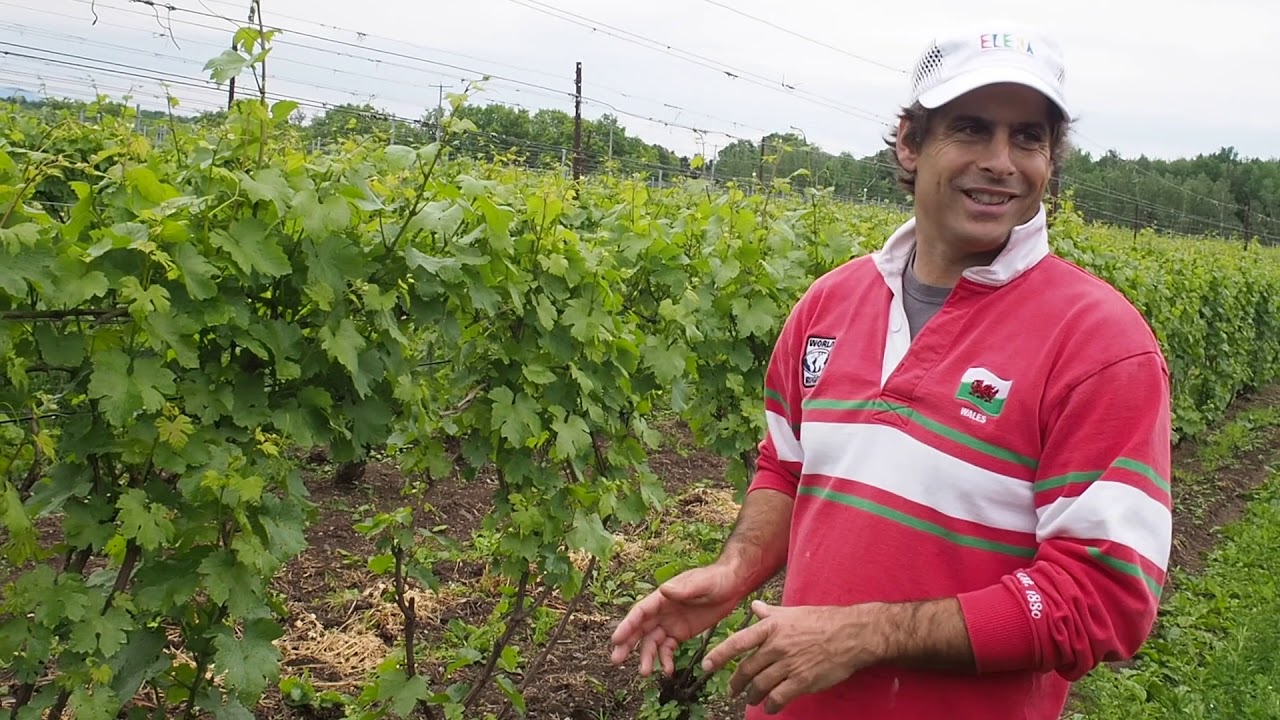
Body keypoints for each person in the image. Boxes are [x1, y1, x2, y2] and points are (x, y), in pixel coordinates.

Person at [609, 20, 1173, 720]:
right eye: (971, 129)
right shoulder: (829, 305)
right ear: (910, 141)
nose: (1002, 161)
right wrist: (735, 571)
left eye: (1028, 138)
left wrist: (866, 634)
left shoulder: (1099, 343)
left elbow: (1103, 599)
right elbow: (787, 468)